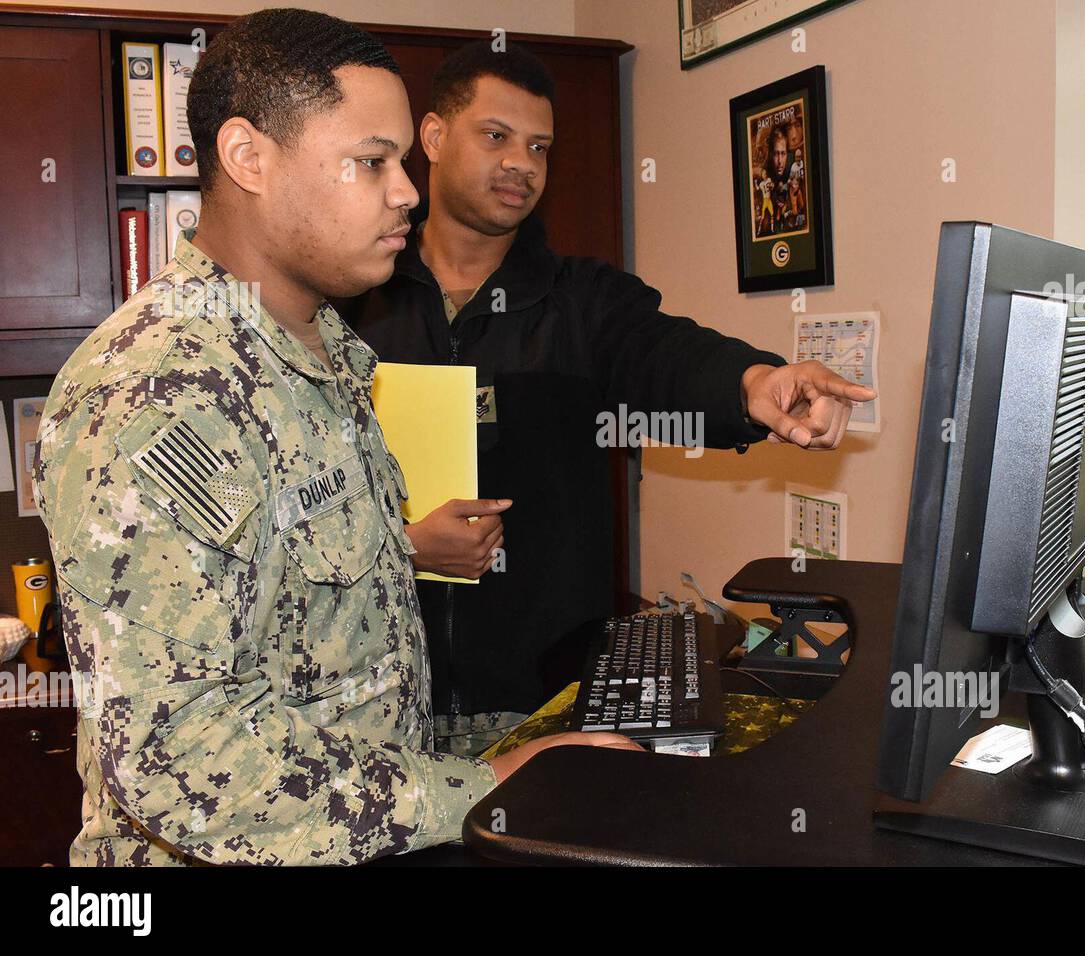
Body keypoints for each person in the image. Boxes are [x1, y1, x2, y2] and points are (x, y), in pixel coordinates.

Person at [32, 9, 637, 867]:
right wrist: (487, 781)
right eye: (371, 162)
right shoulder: (159, 390)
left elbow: (304, 602)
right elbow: (183, 759)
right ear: (248, 158)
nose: (408, 191)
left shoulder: (326, 352)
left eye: (401, 159)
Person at [339, 40, 873, 755]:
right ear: (433, 137)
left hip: (545, 707)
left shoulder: (584, 301)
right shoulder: (350, 303)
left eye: (539, 146)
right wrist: (403, 551)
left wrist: (754, 384)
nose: (522, 164)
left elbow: (665, 355)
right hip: (377, 711)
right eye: (496, 136)